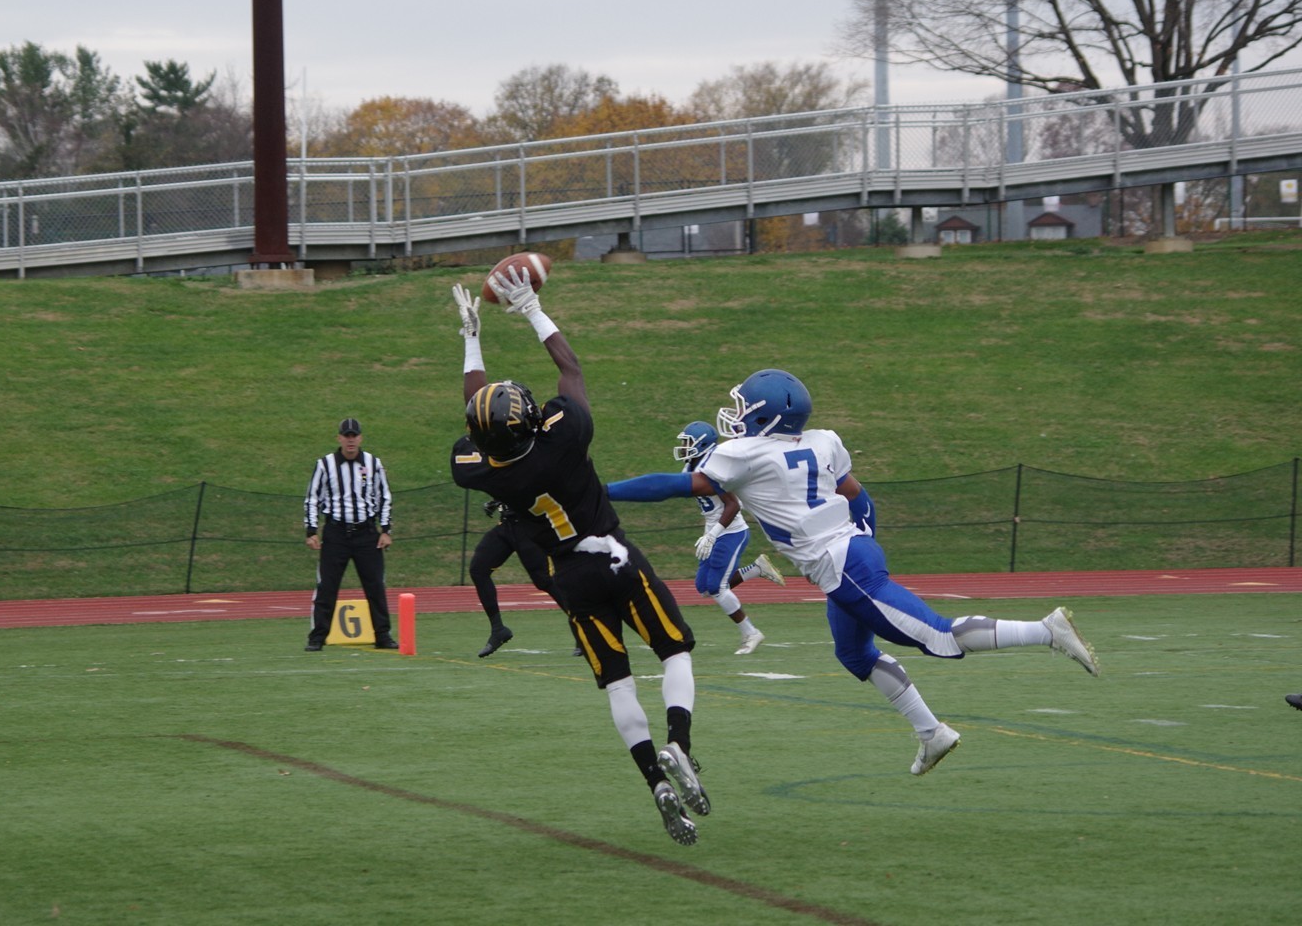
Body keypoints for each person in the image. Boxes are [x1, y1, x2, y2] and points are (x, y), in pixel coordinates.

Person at [606, 368, 1099, 778]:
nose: (734, 415)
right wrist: (859, 541)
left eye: (742, 407)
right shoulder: (822, 441)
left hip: (845, 565)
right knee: (854, 653)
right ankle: (932, 733)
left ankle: (1046, 630)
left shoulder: (746, 453)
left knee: (941, 639)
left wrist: (601, 490)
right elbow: (857, 493)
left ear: (765, 415)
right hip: (849, 559)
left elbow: (674, 485)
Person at [449, 266, 709, 846]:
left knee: (617, 683)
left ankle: (655, 784)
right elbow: (570, 369)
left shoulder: (480, 472)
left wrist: (472, 339)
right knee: (675, 653)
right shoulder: (565, 436)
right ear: (530, 424)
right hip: (614, 557)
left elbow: (476, 415)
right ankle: (680, 747)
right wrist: (532, 310)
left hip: (568, 579)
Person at [661, 420, 786, 656]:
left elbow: (733, 505)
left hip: (730, 531)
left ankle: (751, 633)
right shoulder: (690, 467)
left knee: (717, 588)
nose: (684, 447)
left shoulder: (713, 468)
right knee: (704, 589)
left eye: (688, 443)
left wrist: (712, 535)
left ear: (702, 444)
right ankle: (756, 569)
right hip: (713, 530)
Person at [303, 417, 396, 652]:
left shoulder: (373, 464)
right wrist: (312, 530)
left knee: (375, 585)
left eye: (354, 435)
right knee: (327, 585)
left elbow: (384, 497)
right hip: (336, 532)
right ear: (339, 438)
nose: (350, 440)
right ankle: (318, 637)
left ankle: (382, 635)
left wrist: (385, 530)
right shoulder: (325, 465)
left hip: (366, 532)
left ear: (360, 438)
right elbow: (313, 498)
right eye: (346, 435)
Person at [469, 498, 578, 658]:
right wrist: (497, 501)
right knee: (478, 570)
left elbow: (527, 485)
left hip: (530, 527)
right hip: (508, 525)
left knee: (545, 580)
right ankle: (498, 629)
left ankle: (583, 625)